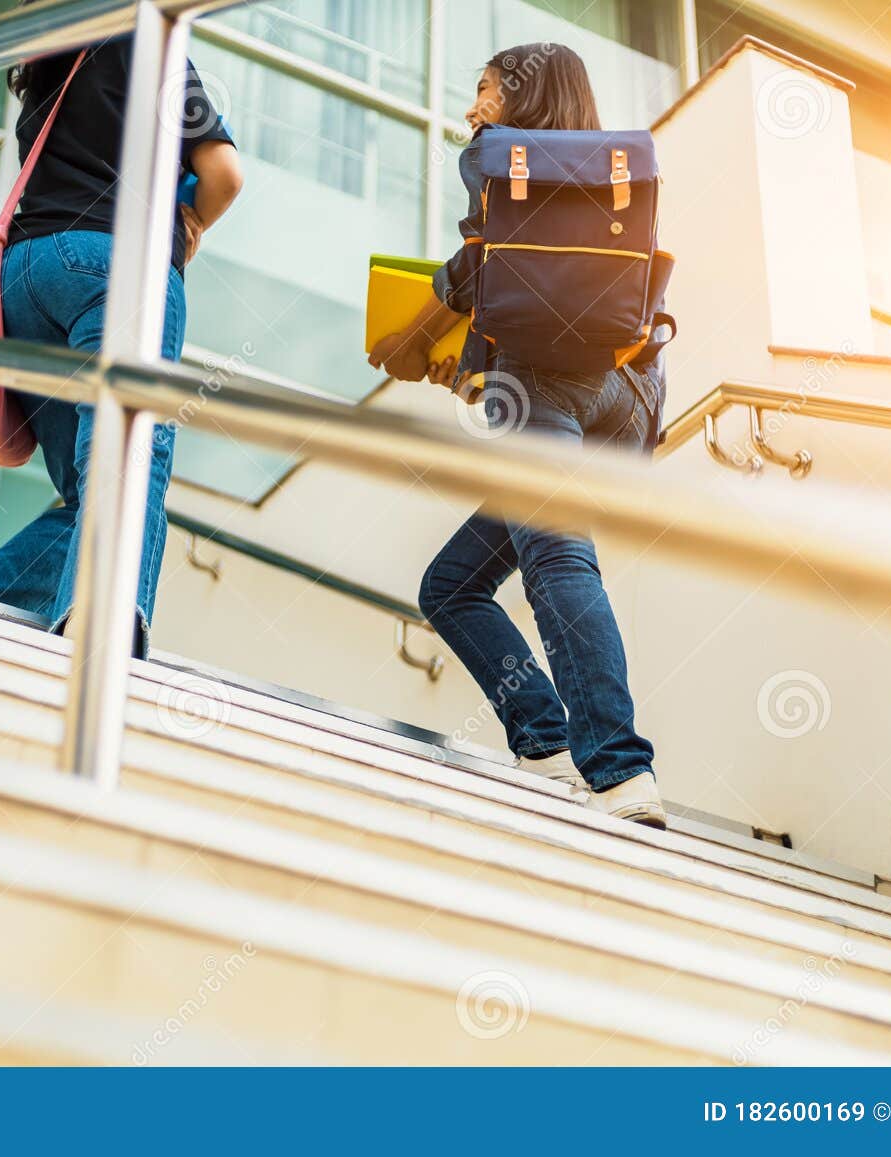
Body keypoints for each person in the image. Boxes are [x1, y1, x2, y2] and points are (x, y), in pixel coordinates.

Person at [368, 44, 666, 828]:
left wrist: (412, 342)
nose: (472, 111)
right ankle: (543, 739)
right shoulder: (613, 178)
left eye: (484, 92)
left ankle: (620, 768)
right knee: (452, 586)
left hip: (545, 386)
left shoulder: (504, 168)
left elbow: (474, 270)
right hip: (628, 400)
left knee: (559, 556)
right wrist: (461, 365)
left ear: (521, 97)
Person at [0, 23, 243, 655]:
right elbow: (224, 173)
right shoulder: (153, 43)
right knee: (131, 466)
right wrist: (190, 219)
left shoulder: (52, 45)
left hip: (26, 277)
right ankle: (101, 652)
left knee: (89, 493)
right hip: (117, 272)